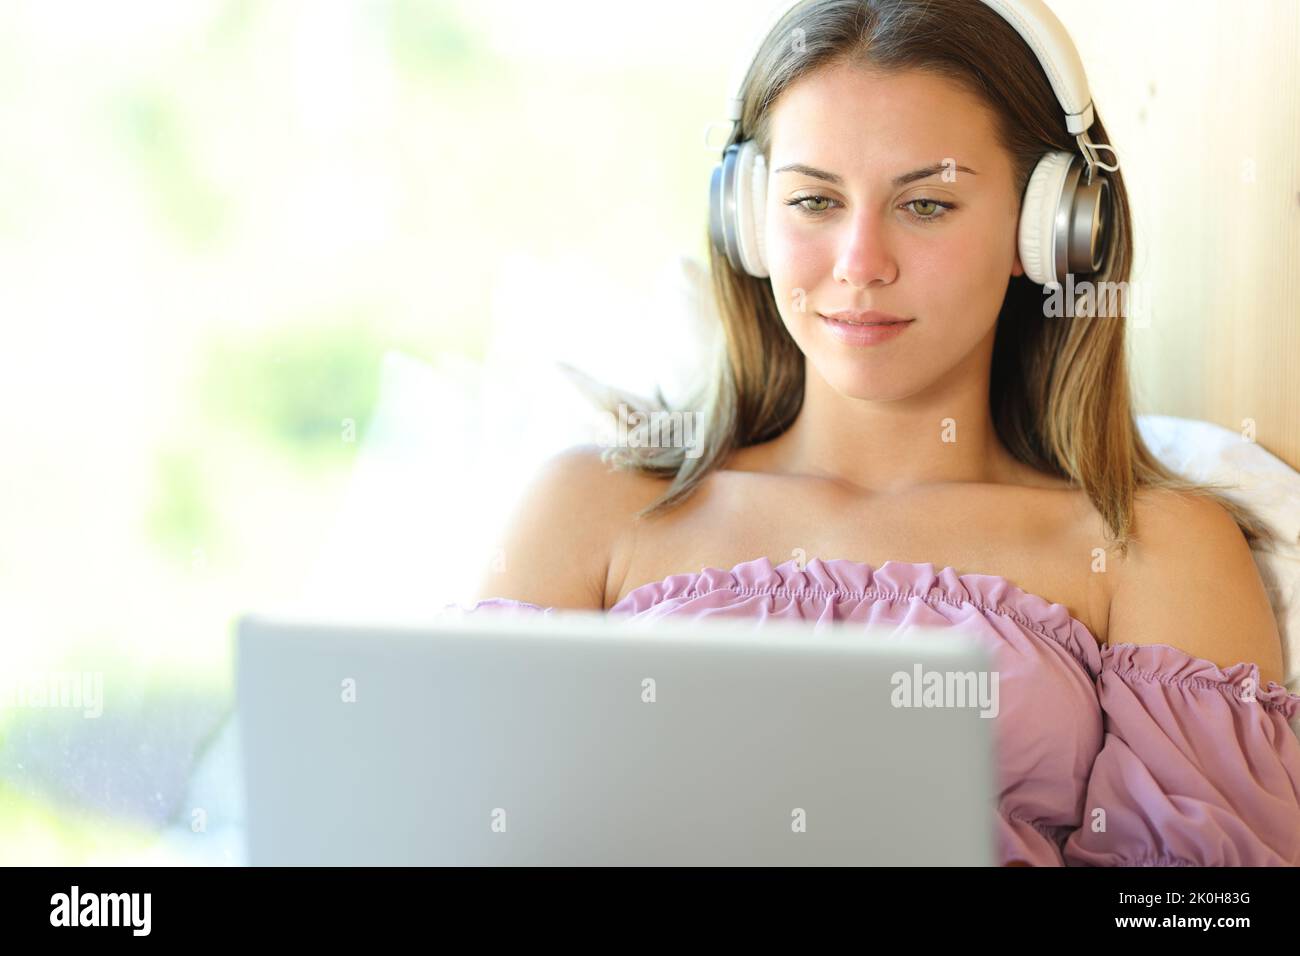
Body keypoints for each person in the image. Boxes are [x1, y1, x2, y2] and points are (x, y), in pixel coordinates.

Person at [460, 0, 1300, 866]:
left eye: (927, 204)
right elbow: (447, 824)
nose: (860, 263)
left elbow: (1205, 913)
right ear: (749, 221)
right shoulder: (588, 509)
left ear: (1049, 232)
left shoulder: (1150, 546)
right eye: (815, 200)